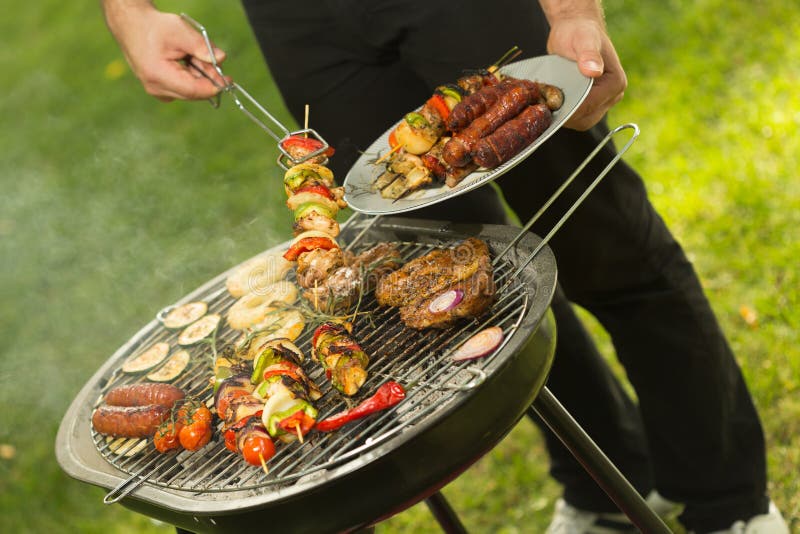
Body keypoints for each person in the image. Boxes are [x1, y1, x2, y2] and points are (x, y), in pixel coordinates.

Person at [100, 1, 790, 532]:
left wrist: (573, 11)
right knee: (449, 279)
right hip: (300, 19)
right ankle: (606, 483)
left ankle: (726, 500)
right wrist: (128, 12)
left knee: (602, 239)